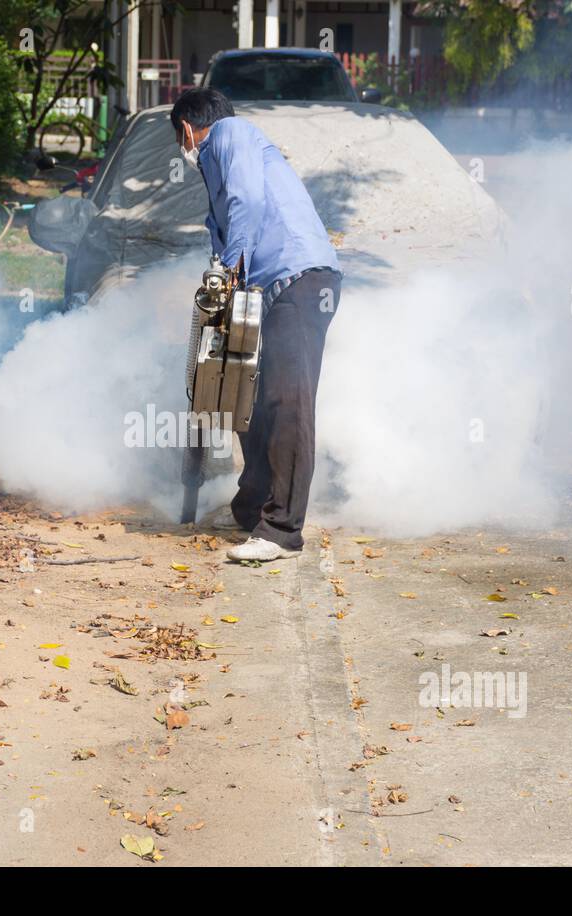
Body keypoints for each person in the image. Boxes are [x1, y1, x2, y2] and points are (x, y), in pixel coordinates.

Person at [171, 88, 342, 562]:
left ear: (187, 129)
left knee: (288, 401)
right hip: (269, 293)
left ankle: (283, 531)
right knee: (247, 396)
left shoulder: (231, 134)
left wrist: (228, 268)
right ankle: (251, 509)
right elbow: (228, 225)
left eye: (181, 142)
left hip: (301, 282)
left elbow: (247, 201)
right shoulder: (216, 179)